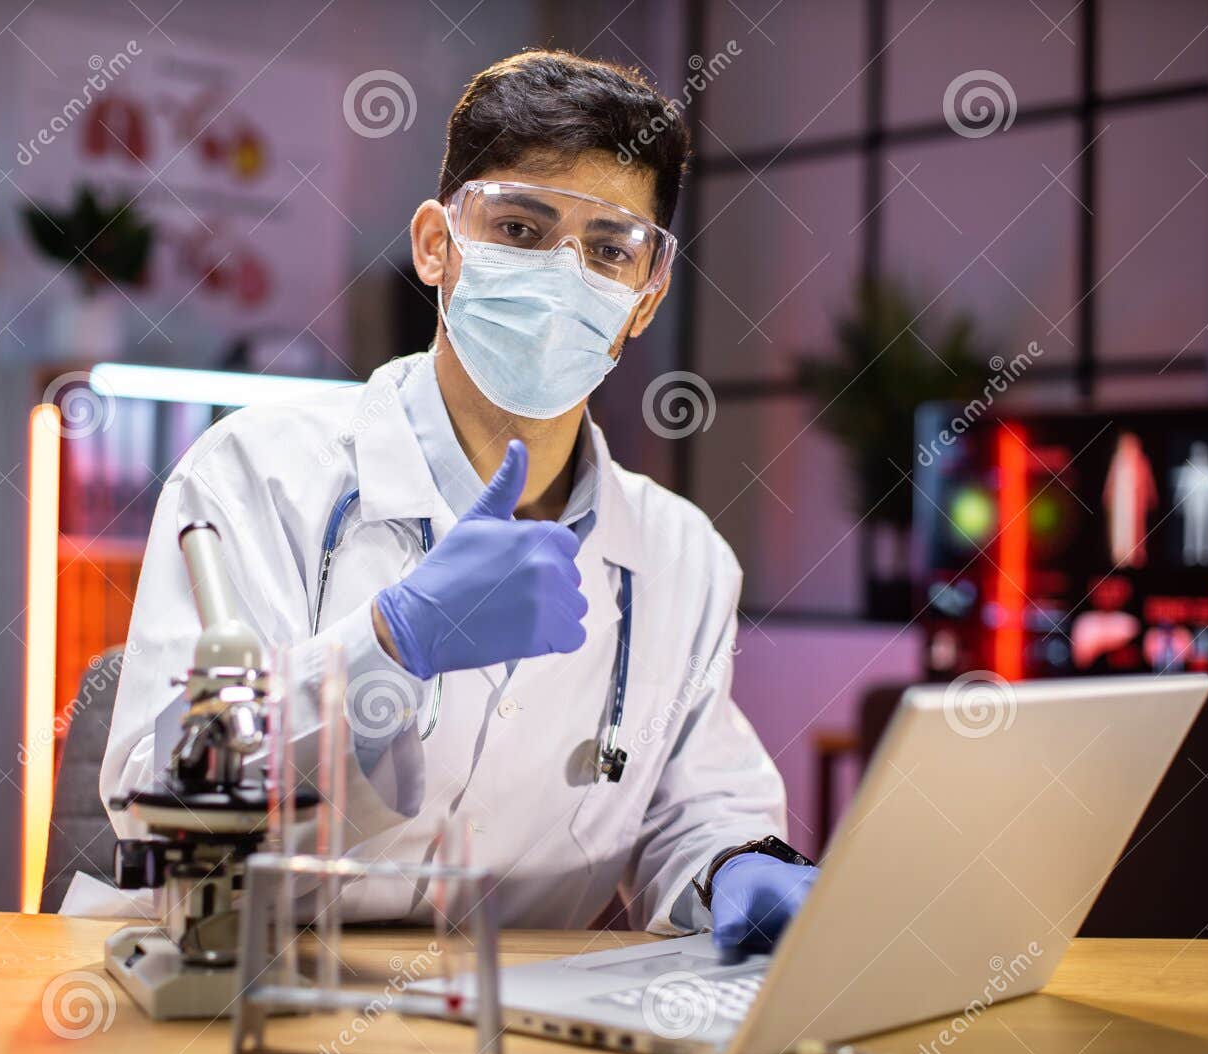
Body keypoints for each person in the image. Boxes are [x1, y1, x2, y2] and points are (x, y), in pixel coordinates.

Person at [100, 50, 817, 961]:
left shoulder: (682, 557)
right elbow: (158, 799)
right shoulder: (254, 475)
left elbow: (698, 806)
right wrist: (390, 644)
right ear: (437, 244)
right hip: (242, 987)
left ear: (646, 298)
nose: (564, 276)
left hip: (504, 1017)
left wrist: (735, 866)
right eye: (520, 228)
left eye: (608, 250)